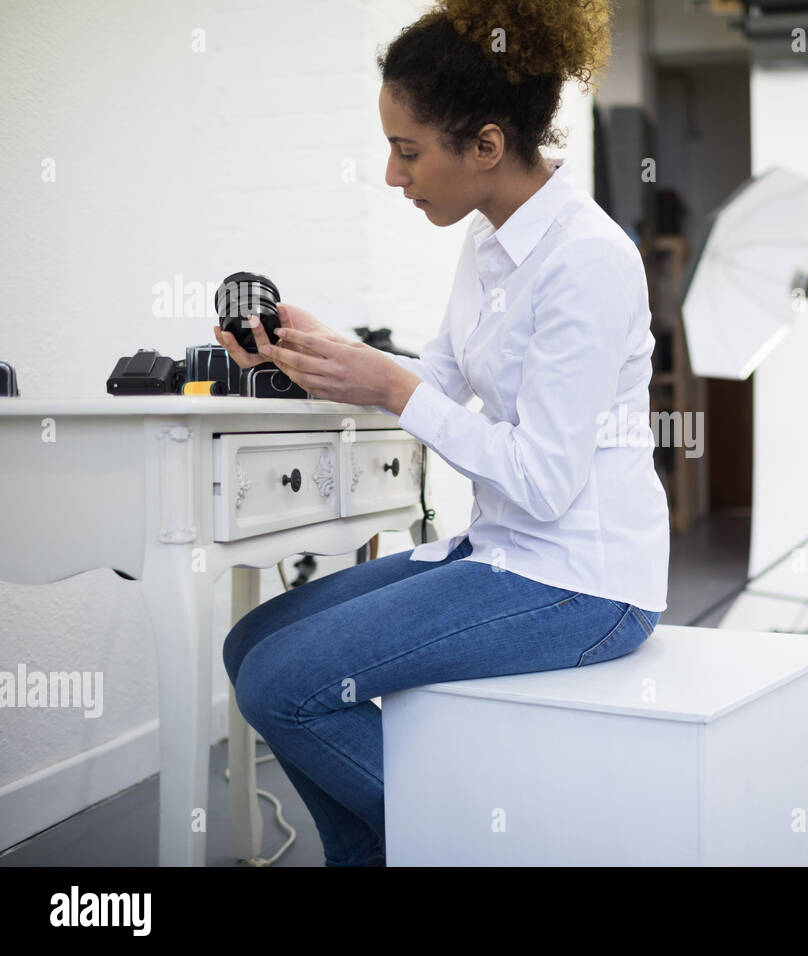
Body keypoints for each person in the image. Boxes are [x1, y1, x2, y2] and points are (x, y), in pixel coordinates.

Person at [214, 0, 669, 867]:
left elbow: (544, 482)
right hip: (503, 555)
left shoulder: (588, 261)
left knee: (282, 687)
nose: (393, 174)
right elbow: (442, 385)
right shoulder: (491, 245)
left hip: (585, 583)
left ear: (487, 145)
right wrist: (327, 353)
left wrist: (392, 388)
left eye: (409, 150)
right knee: (251, 646)